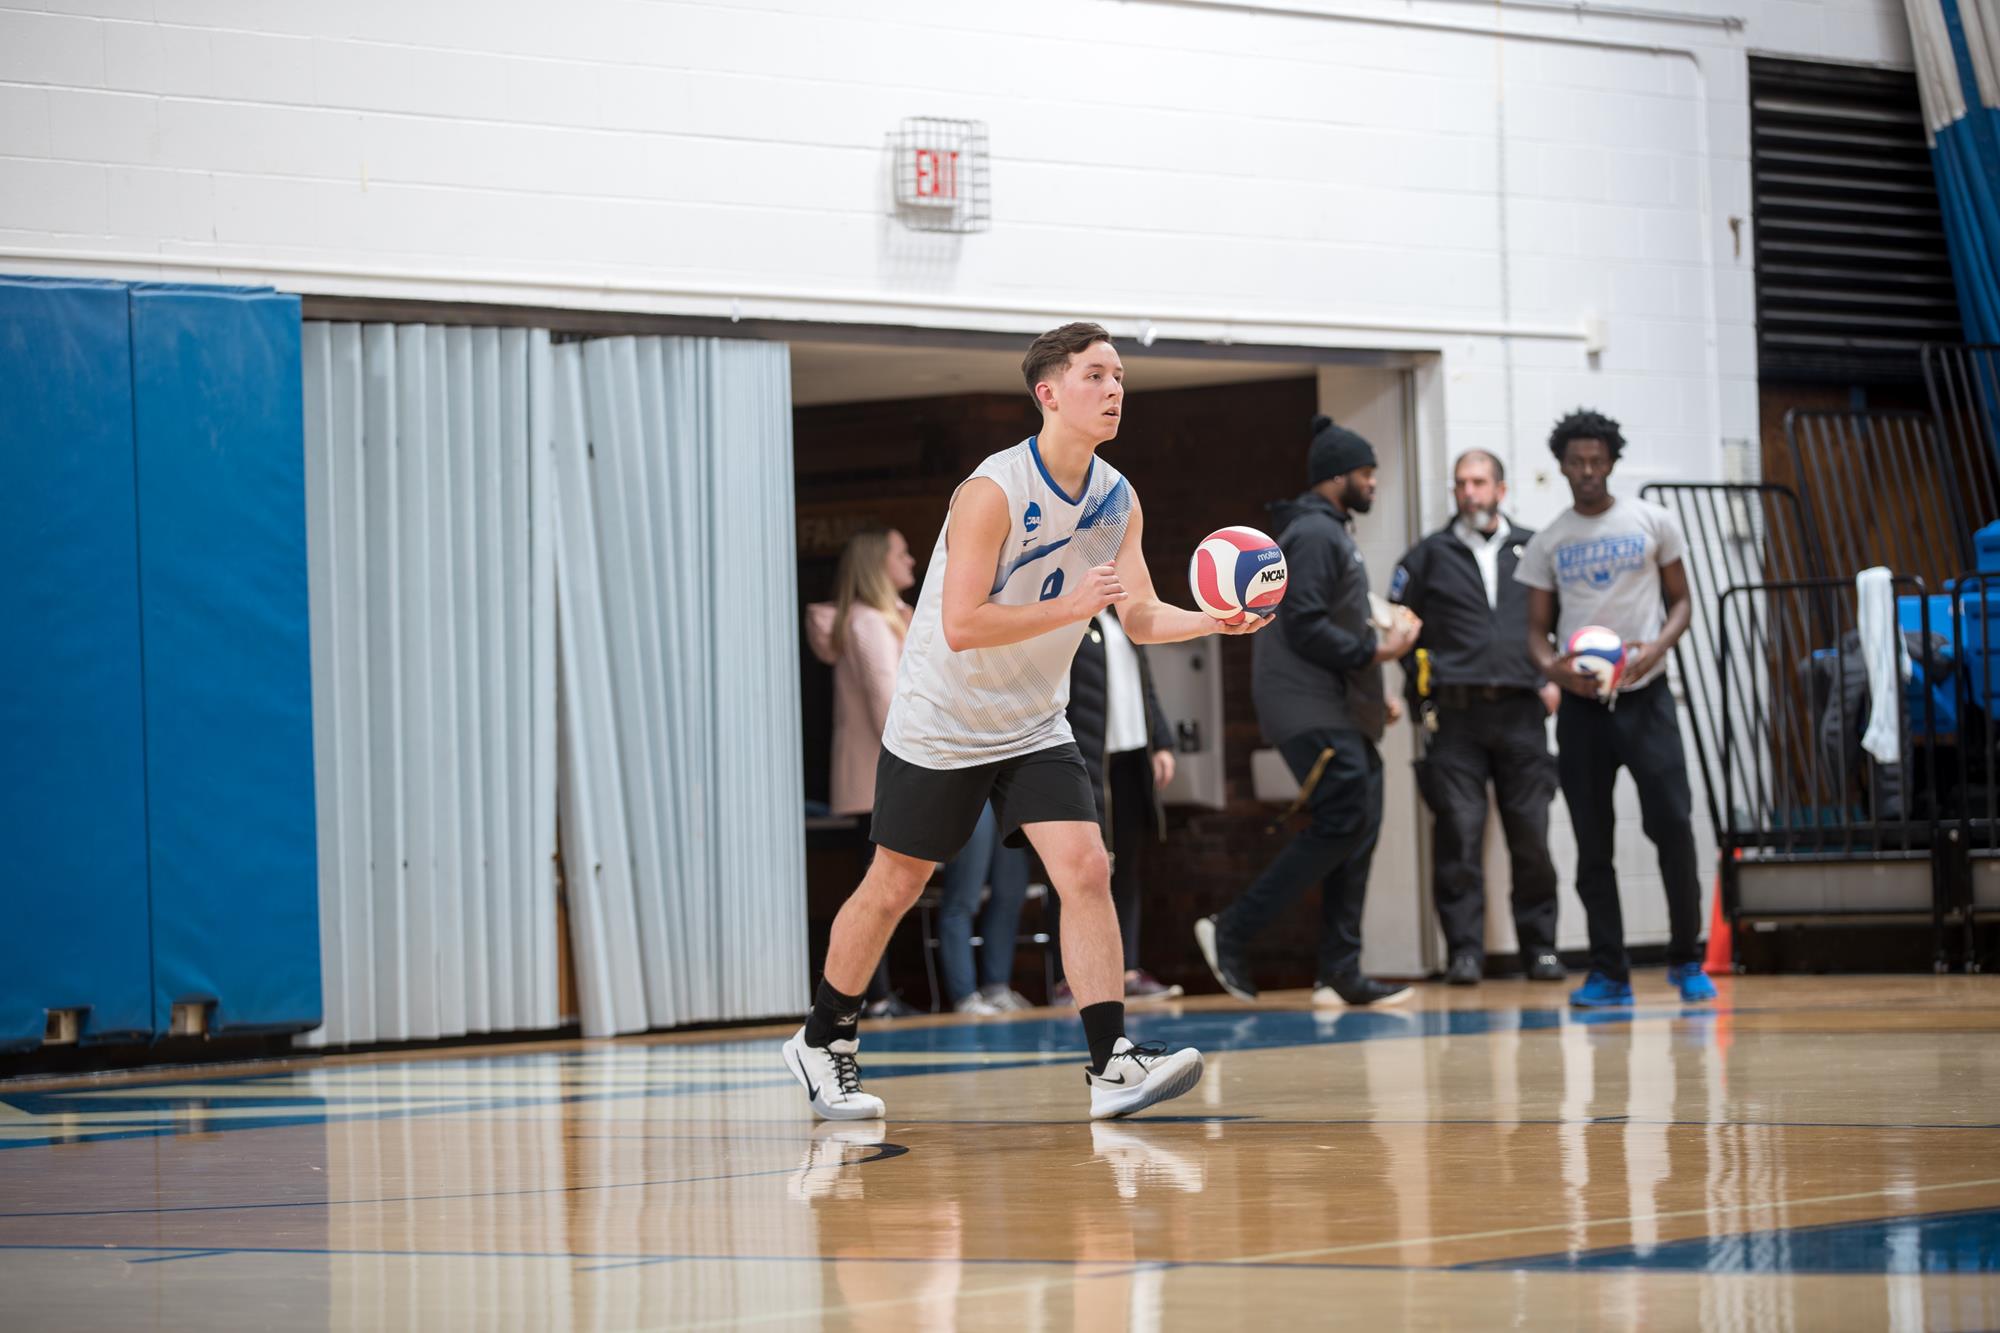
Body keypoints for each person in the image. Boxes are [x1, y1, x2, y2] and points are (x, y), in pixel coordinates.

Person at [781, 322, 1267, 1122]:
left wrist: (1215, 619)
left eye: (1119, 376)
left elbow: (1140, 614)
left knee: (1086, 867)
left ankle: (1111, 1062)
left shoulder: (1117, 498)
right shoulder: (992, 490)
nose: (1114, 389)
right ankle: (823, 1037)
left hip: (1036, 721)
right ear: (1049, 392)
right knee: (896, 883)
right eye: (1095, 375)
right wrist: (1070, 606)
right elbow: (962, 621)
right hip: (944, 718)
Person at [1194, 416, 1419, 1008]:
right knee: (1345, 818)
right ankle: (1230, 928)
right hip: (1307, 709)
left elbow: (1331, 623)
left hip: (1333, 707)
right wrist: (1379, 652)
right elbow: (1306, 625)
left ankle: (1339, 971)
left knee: (1360, 820)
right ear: (1337, 477)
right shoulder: (1316, 534)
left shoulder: (1329, 531)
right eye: (1366, 472)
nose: (1374, 482)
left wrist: (1372, 692)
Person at [1516, 408, 1716, 1007]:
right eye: (1576, 462)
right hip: (1584, 709)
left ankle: (1686, 958)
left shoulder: (1652, 521)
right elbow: (1535, 634)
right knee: (1591, 840)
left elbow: (1682, 603)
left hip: (1647, 698)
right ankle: (1609, 972)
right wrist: (1556, 671)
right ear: (1562, 466)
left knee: (1673, 826)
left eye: (1596, 461)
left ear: (1611, 462)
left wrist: (1656, 648)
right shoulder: (1549, 541)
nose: (1587, 471)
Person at [1390, 449, 1566, 986]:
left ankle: (1541, 949)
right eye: (1461, 483)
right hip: (1456, 718)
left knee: (1531, 838)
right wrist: (1422, 693)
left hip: (1522, 712)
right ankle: (1464, 953)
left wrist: (1555, 677)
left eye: (1479, 482)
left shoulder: (1534, 548)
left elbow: (1564, 618)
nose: (1469, 492)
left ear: (1501, 490)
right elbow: (1401, 631)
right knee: (1458, 838)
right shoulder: (1428, 555)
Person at [804, 528, 922, 1018]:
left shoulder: (885, 617)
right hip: (882, 777)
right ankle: (871, 996)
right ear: (878, 564)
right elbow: (886, 700)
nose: (911, 560)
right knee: (878, 891)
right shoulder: (870, 621)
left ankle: (873, 995)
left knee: (878, 887)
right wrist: (919, 761)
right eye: (901, 553)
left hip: (876, 778)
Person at [1051, 606, 1183, 1005]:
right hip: (1087, 758)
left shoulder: (1122, 619)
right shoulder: (1066, 617)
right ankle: (1069, 977)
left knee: (1125, 867)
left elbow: (1145, 685)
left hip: (1131, 757)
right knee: (1078, 869)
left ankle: (1126, 970)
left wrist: (1162, 742)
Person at [934, 802, 1033, 1014]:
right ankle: (965, 997)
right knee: (963, 898)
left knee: (1011, 893)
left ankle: (996, 989)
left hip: (1010, 792)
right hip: (967, 789)